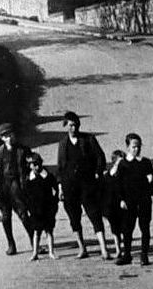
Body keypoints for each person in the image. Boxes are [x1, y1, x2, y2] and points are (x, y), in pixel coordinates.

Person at [55, 111, 109, 259]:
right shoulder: (62, 144)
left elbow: (100, 157)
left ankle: (104, 249)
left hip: (87, 184)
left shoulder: (89, 139)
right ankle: (82, 248)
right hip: (69, 186)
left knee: (94, 213)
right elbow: (60, 167)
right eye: (71, 125)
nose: (74, 128)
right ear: (66, 126)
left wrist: (98, 172)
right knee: (74, 217)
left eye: (76, 125)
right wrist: (60, 186)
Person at [0, 122, 31, 255]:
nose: (9, 138)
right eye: (6, 136)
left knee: (24, 215)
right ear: (2, 138)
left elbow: (32, 165)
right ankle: (11, 244)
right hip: (3, 188)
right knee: (6, 218)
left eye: (11, 135)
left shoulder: (23, 150)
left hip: (17, 186)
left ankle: (34, 242)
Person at [115, 133, 153, 266]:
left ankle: (144, 256)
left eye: (138, 146)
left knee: (145, 228)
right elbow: (118, 184)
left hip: (144, 201)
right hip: (129, 203)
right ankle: (127, 255)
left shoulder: (145, 163)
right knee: (127, 229)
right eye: (134, 146)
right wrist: (121, 200)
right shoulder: (123, 164)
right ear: (127, 147)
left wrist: (148, 193)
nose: (136, 149)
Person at [19, 152, 59, 261]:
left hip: (47, 208)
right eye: (33, 165)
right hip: (35, 210)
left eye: (37, 164)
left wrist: (54, 205)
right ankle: (35, 253)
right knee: (36, 232)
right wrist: (28, 208)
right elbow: (25, 195)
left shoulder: (48, 176)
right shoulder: (28, 179)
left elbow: (55, 190)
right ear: (30, 166)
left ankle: (51, 252)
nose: (36, 167)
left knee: (49, 231)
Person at [101, 149, 126, 260]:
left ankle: (125, 248)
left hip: (122, 205)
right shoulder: (107, 176)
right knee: (115, 229)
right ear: (114, 162)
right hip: (110, 206)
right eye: (120, 162)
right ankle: (118, 250)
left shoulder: (124, 175)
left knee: (124, 228)